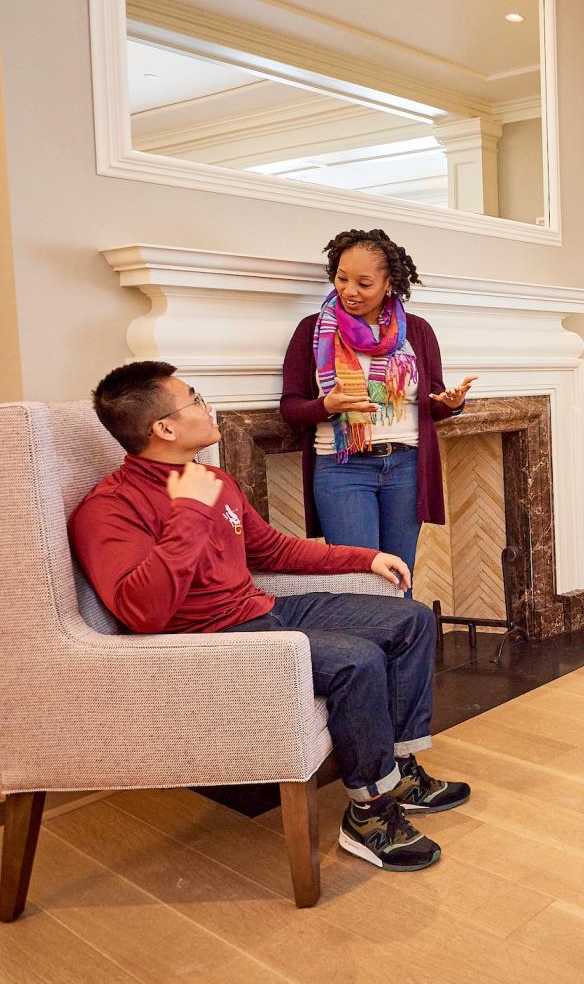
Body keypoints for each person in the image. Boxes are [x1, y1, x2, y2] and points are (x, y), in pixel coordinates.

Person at [70, 361, 470, 873]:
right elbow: (143, 611)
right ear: (164, 428)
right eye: (193, 397)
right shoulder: (108, 509)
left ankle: (401, 771)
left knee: (409, 619)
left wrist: (362, 558)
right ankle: (369, 815)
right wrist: (189, 512)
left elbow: (271, 550)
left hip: (262, 611)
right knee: (357, 660)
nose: (206, 404)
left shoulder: (210, 478)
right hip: (210, 640)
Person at [280, 229, 476, 585]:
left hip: (405, 468)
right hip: (342, 471)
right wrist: (327, 405)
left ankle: (407, 643)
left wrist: (452, 403)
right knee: (359, 581)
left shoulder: (416, 332)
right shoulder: (312, 330)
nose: (349, 290)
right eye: (342, 278)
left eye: (363, 283)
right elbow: (291, 409)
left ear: (389, 284)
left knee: (400, 578)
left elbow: (431, 402)